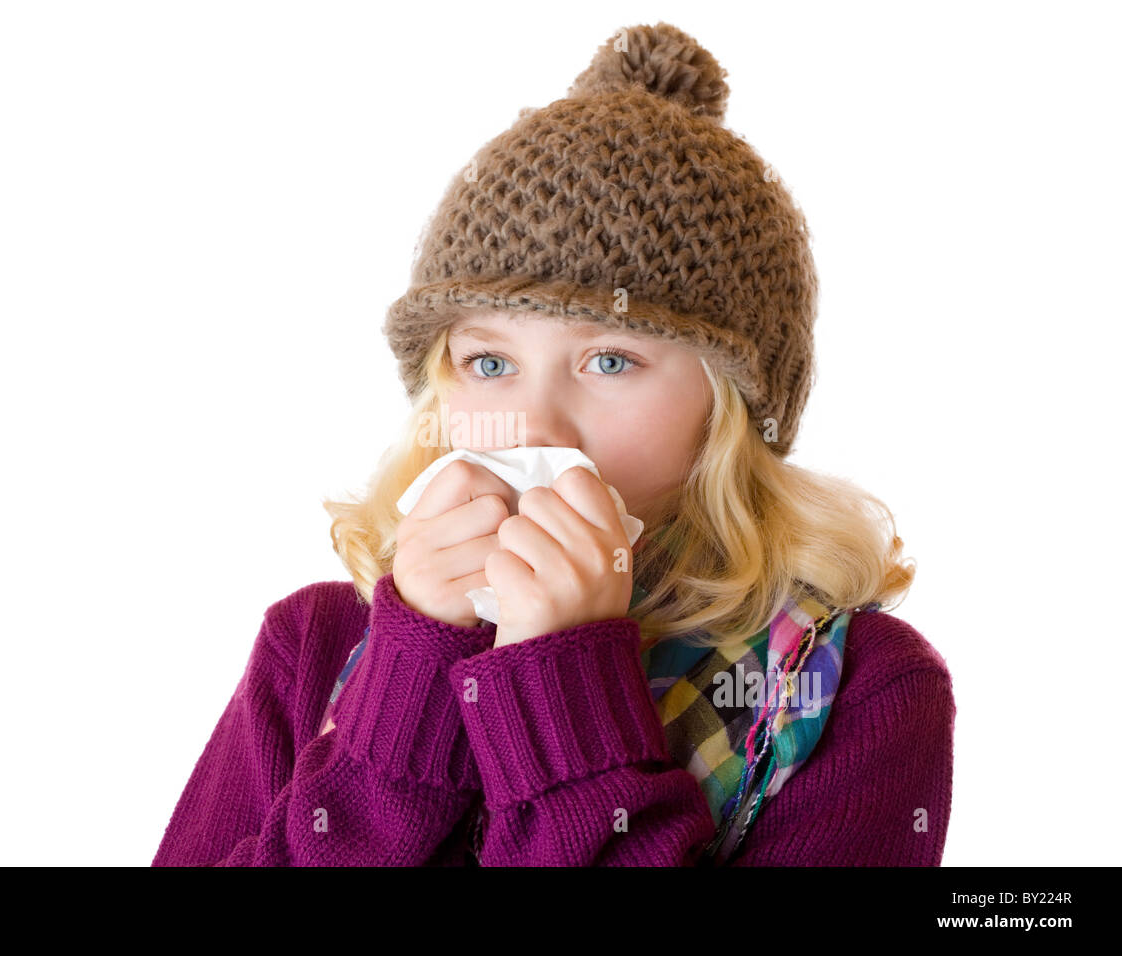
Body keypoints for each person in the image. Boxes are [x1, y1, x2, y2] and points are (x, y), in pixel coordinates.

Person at [151, 21, 955, 867]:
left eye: (610, 360)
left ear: (730, 407)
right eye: (489, 361)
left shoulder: (853, 691)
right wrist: (403, 706)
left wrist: (562, 688)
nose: (530, 426)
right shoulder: (315, 645)